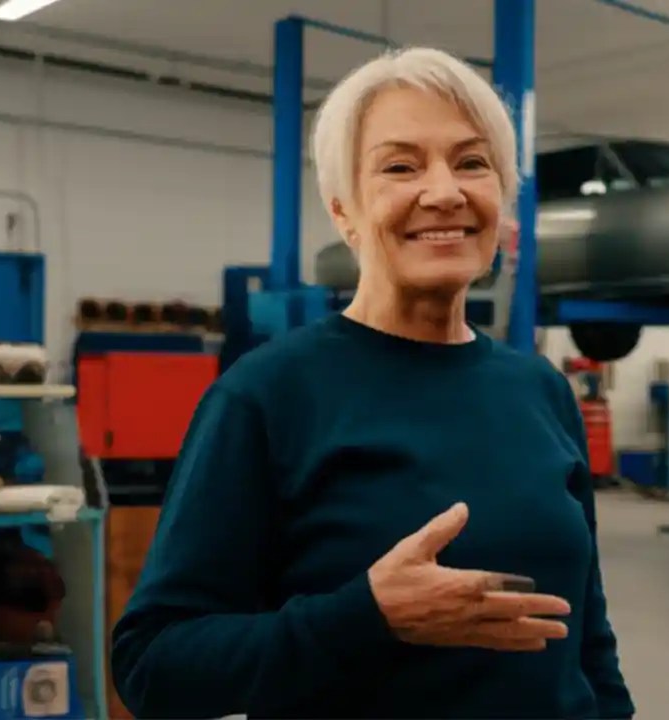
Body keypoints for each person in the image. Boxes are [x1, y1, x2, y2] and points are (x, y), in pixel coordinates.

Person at [110, 46, 635, 720]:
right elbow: (152, 663)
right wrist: (366, 617)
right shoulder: (268, 396)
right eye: (400, 167)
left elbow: (588, 639)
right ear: (344, 212)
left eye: (472, 163)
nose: (444, 192)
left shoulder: (541, 392)